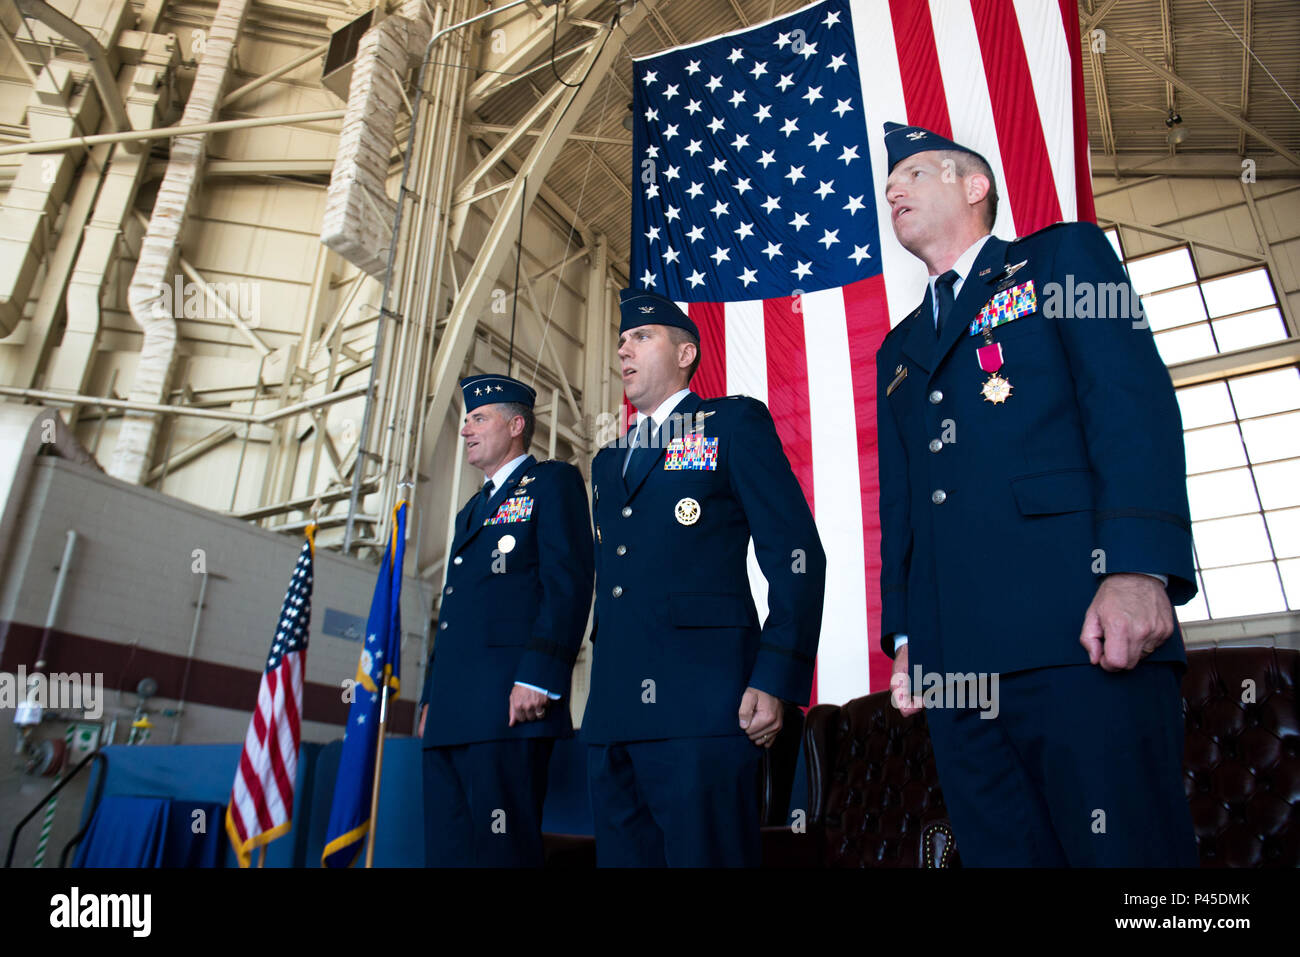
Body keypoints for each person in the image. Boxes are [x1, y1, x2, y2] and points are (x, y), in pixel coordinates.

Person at [874, 121, 1199, 866]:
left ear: (975, 186)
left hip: (1079, 628)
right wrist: (907, 636)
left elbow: (1131, 405)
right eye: (892, 184)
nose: (894, 189)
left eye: (917, 173)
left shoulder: (1059, 259)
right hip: (957, 665)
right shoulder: (899, 348)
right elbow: (907, 507)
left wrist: (1138, 569)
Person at [581, 289, 826, 867]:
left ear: (687, 352)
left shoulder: (731, 423)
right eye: (621, 340)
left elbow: (796, 553)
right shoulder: (607, 462)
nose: (624, 350)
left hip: (702, 705)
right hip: (613, 713)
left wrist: (777, 676)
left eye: (642, 337)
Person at [417, 373, 594, 866]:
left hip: (509, 703)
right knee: (448, 850)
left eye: (479, 418)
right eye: (466, 418)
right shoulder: (472, 511)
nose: (465, 428)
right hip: (452, 712)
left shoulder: (552, 482)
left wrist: (540, 675)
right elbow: (455, 610)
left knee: (501, 852)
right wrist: (433, 697)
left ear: (516, 424)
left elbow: (569, 583)